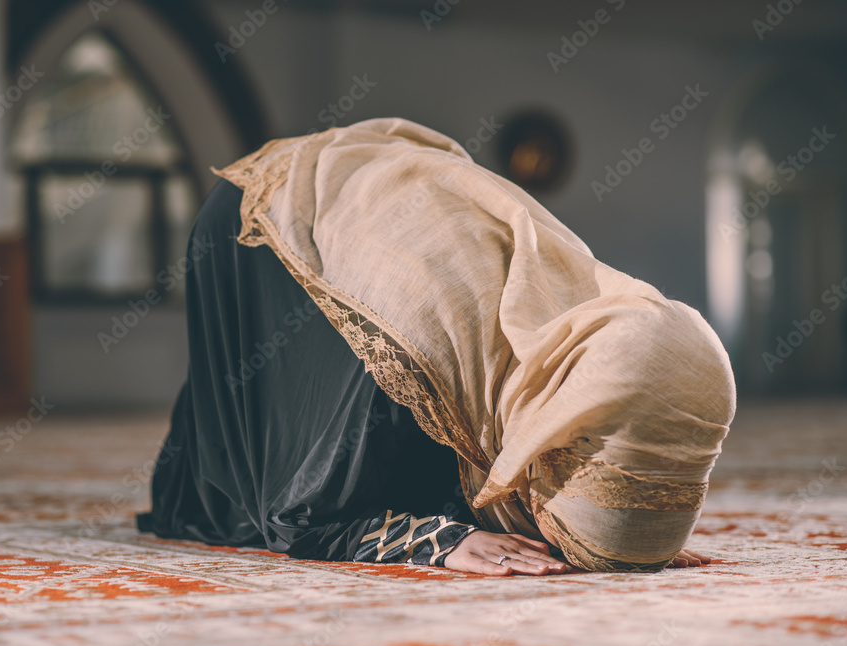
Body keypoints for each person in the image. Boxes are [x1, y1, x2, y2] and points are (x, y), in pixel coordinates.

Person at [136, 118, 735, 575]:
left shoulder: (581, 335)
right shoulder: (410, 343)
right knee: (270, 439)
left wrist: (643, 534)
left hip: (384, 197)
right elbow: (305, 511)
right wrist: (440, 541)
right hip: (264, 220)